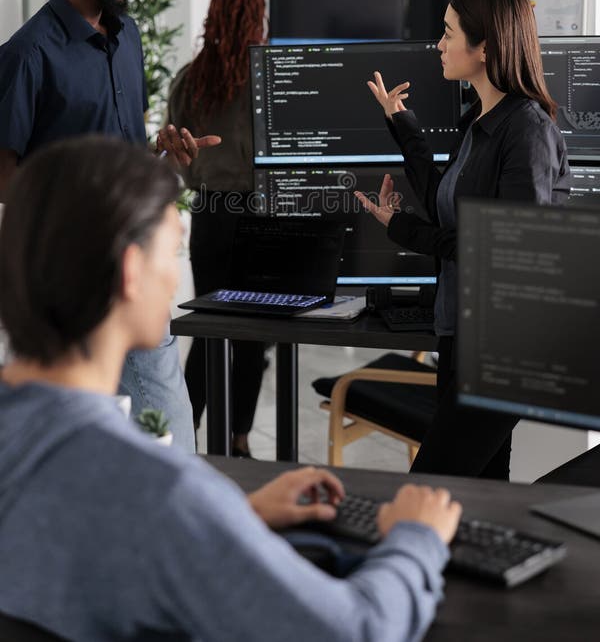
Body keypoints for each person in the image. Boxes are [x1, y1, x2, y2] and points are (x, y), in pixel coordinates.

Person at [0, 135, 461, 641]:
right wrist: (417, 538)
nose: (178, 271)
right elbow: (359, 630)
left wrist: (238, 517)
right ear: (132, 272)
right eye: (172, 250)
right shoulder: (163, 489)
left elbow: (80, 541)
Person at [0, 0, 220, 453]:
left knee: (164, 435)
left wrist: (159, 159)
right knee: (89, 443)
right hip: (68, 287)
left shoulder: (129, 41)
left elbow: (120, 156)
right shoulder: (27, 55)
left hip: (136, 266)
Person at [356, 0, 571, 480]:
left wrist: (405, 232)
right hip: (461, 330)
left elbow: (505, 252)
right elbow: (442, 201)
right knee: (480, 494)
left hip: (506, 347)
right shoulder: (479, 119)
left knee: (433, 486)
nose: (440, 43)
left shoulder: (529, 130)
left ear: (486, 47)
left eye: (449, 32)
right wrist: (401, 124)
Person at [168, 0, 268, 456]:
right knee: (253, 339)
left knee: (208, 336)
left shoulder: (190, 80)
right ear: (259, 14)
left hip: (210, 215)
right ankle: (240, 440)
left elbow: (183, 166)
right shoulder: (268, 75)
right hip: (259, 219)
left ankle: (185, 442)